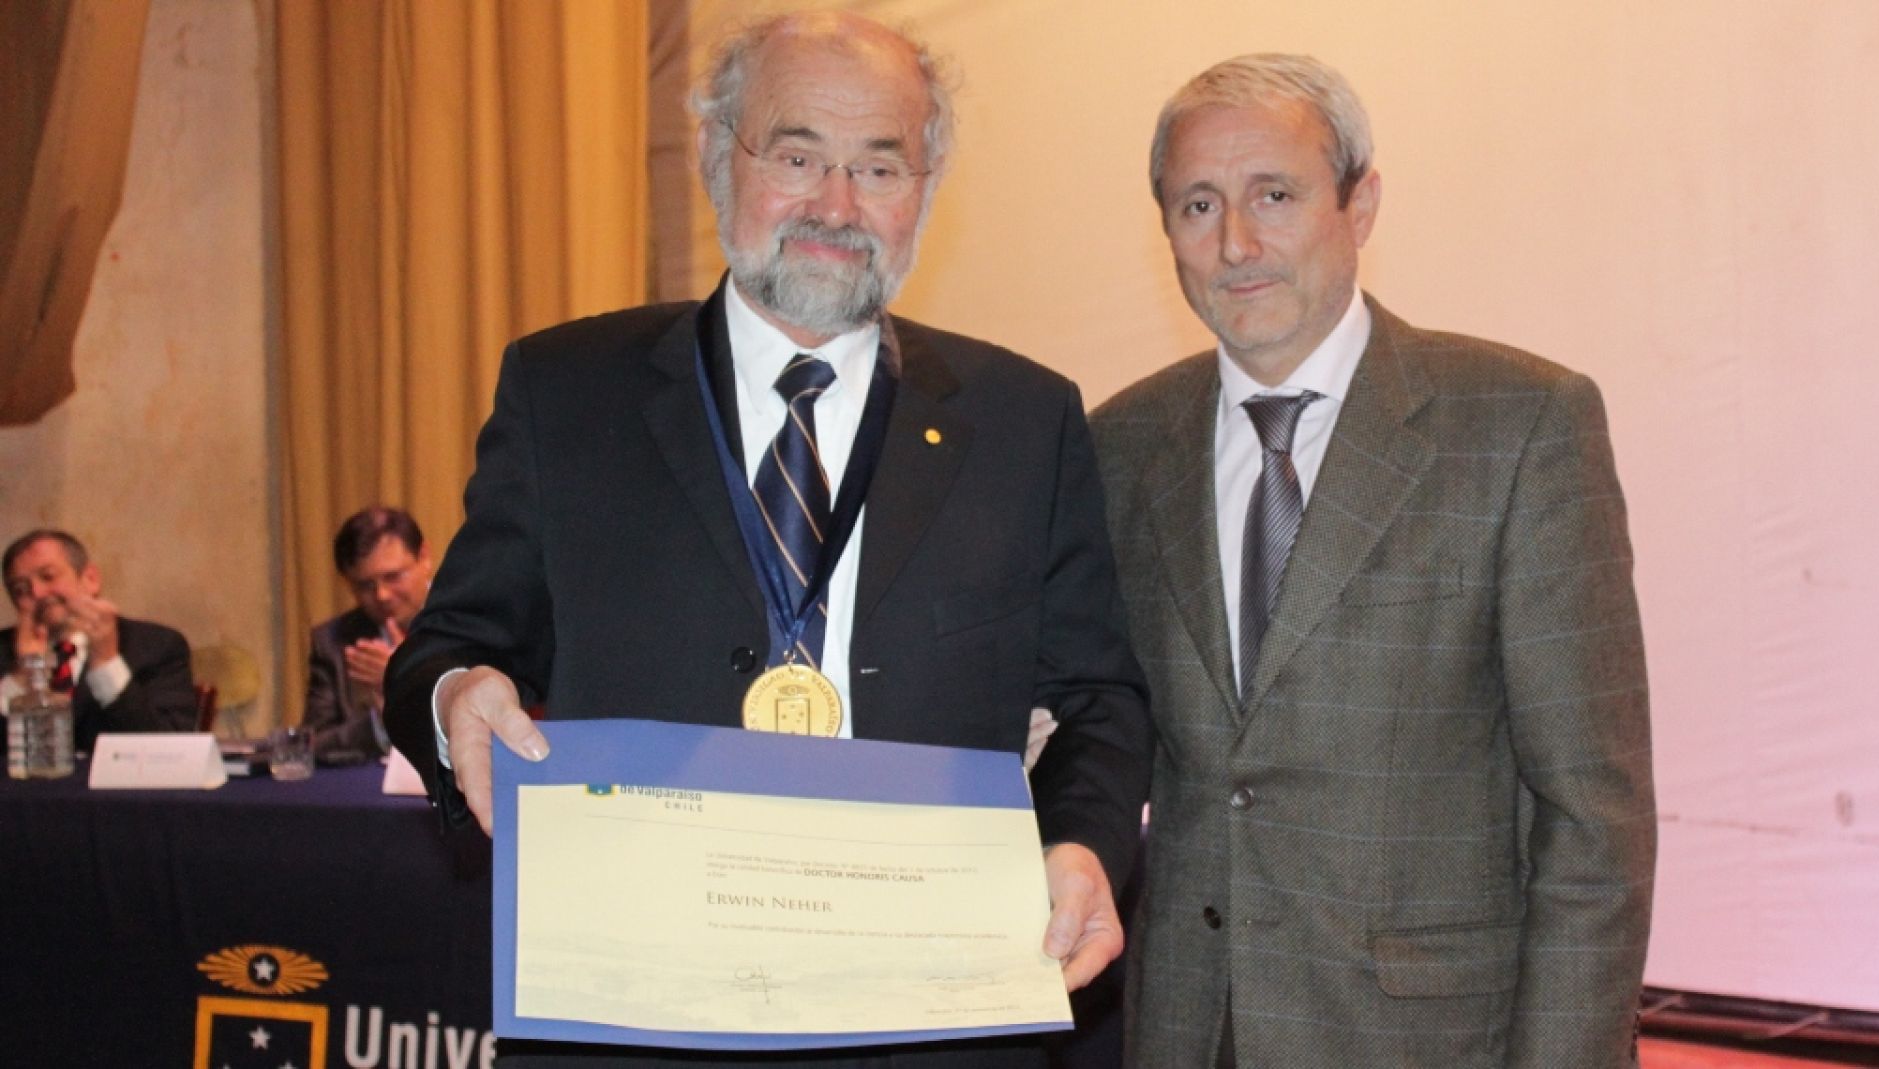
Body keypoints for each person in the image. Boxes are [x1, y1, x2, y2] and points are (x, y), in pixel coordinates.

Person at [383, 12, 1150, 1068]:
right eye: (797, 156)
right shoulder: (567, 391)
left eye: (880, 168)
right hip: (638, 1017)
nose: (836, 207)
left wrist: (1080, 844)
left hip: (929, 1020)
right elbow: (449, 642)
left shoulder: (1025, 419)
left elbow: (1099, 699)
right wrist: (453, 691)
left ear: (925, 189)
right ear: (716, 160)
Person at [1092, 55, 1655, 1068]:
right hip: (1185, 1032)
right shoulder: (1118, 444)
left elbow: (1594, 820)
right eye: (1197, 204)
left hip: (1428, 1039)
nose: (1236, 243)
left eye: (1275, 194)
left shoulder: (1520, 425)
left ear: (1362, 204)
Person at [1, 529, 197, 751]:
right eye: (21, 589)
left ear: (90, 579)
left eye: (48, 577)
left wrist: (106, 663)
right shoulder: (5, 653)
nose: (37, 593)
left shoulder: (156, 645)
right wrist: (22, 679)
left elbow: (168, 749)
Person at [303, 506, 433, 758]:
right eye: (365, 585)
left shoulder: (474, 623)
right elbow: (312, 744)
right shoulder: (333, 642)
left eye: (393, 576)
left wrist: (408, 683)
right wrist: (383, 722)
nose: (382, 595)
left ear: (424, 557)